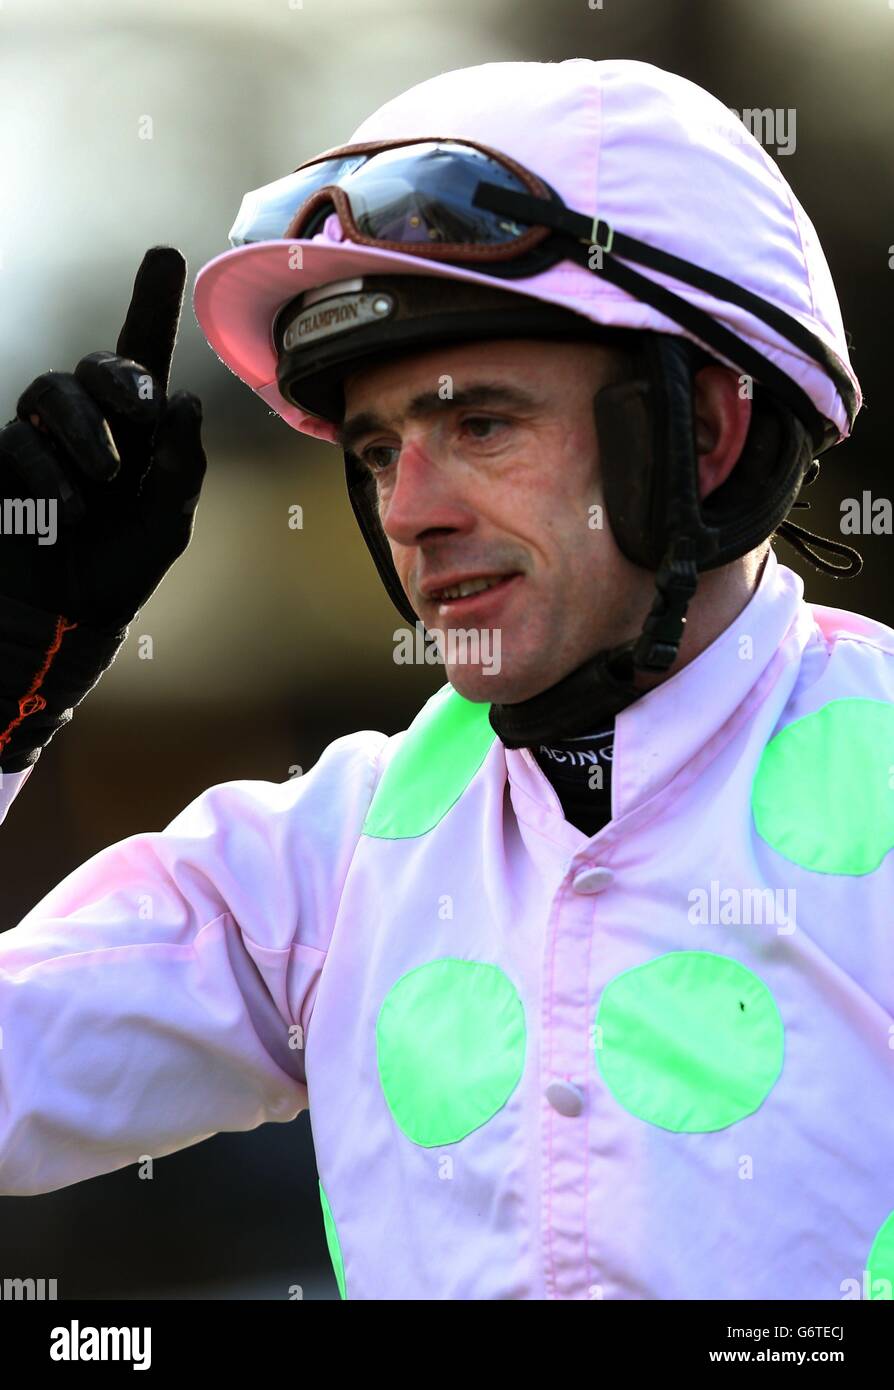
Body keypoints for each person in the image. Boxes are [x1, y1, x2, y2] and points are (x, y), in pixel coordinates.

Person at [0, 57, 891, 1302]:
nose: (409, 511)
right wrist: (15, 673)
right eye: (375, 451)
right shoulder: (331, 856)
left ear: (707, 434)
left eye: (477, 422)